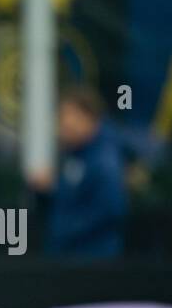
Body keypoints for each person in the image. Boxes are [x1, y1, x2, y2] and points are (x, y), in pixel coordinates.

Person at [29, 85, 128, 260]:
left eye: (69, 115)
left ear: (89, 118)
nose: (63, 123)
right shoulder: (74, 155)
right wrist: (50, 188)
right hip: (68, 258)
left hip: (92, 263)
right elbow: (72, 197)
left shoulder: (104, 160)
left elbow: (111, 210)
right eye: (61, 116)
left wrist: (64, 231)